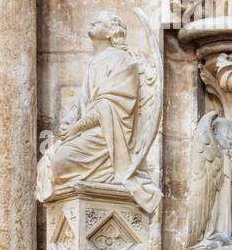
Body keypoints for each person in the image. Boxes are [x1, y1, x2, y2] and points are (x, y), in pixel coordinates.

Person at [35, 11, 160, 212]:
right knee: (46, 163)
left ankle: (110, 171)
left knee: (60, 162)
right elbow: (82, 103)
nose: (93, 21)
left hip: (109, 136)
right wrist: (69, 122)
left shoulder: (121, 60)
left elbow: (109, 104)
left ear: (112, 32)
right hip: (90, 130)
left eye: (100, 21)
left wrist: (77, 128)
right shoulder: (95, 62)